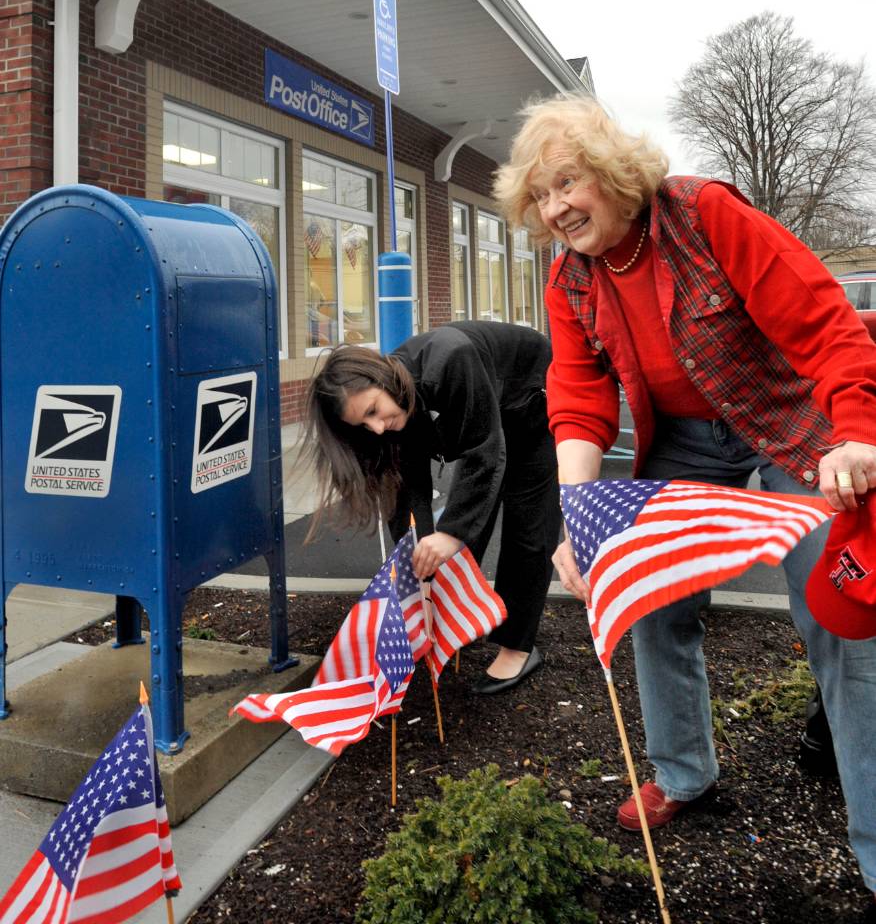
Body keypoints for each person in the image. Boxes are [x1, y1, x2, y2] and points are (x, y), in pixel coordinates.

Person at [493, 93, 876, 913]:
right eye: (541, 195)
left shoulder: (706, 216)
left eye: (568, 182)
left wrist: (856, 432)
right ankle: (684, 774)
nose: (556, 207)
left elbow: (825, 323)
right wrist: (580, 512)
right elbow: (579, 390)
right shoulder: (571, 278)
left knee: (839, 613)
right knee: (651, 599)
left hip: (793, 424)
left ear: (611, 173)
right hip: (685, 441)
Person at [303, 321, 563, 695]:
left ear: (385, 377)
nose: (378, 428)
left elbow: (485, 454)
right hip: (485, 421)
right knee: (451, 535)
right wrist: (417, 565)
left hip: (532, 402)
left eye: (374, 410)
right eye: (365, 423)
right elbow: (407, 490)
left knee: (527, 528)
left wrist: (452, 533)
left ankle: (517, 645)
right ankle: (469, 616)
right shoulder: (392, 415)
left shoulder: (451, 359)